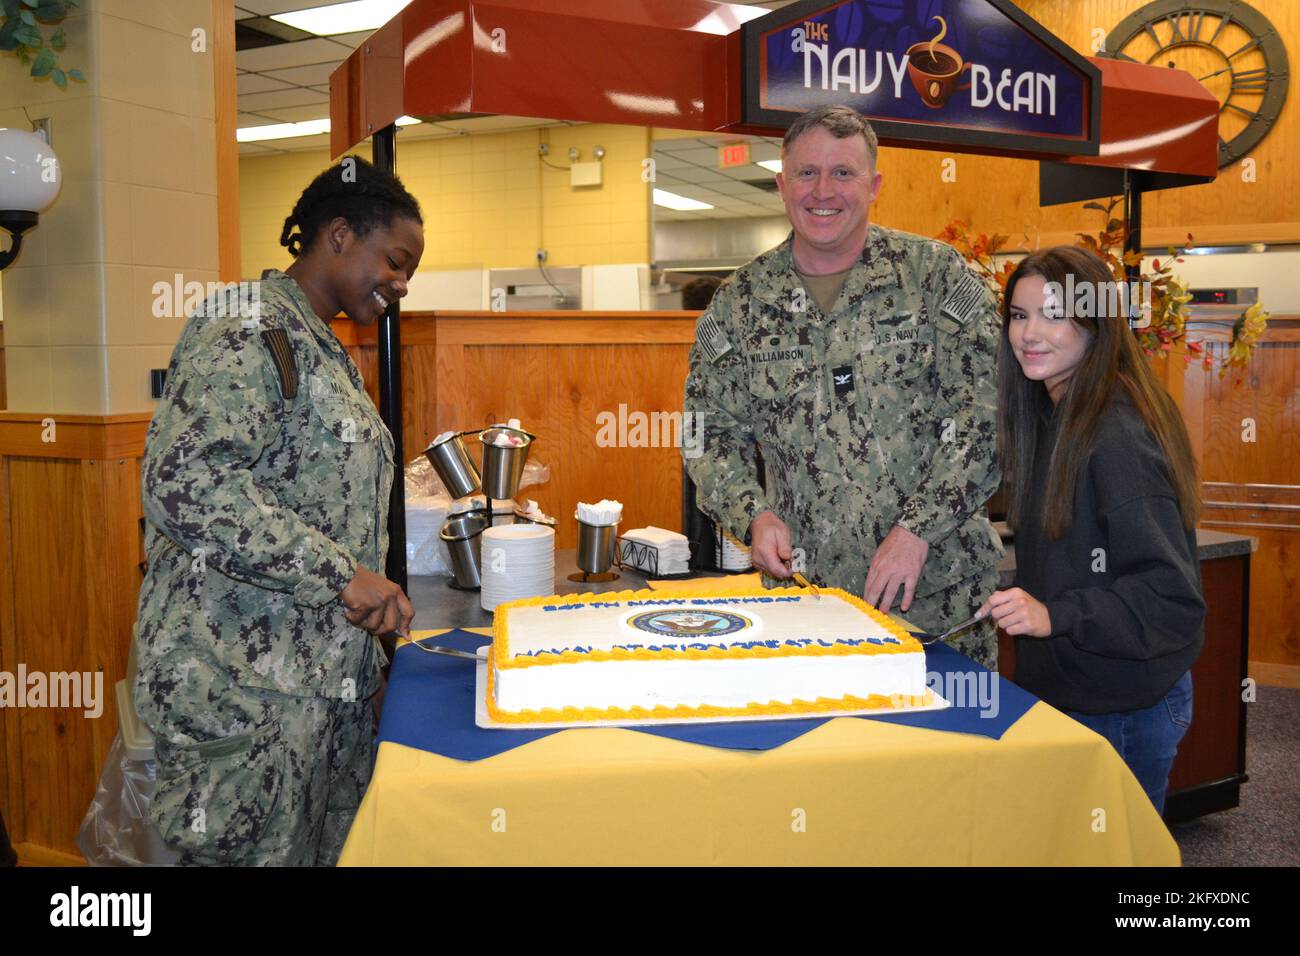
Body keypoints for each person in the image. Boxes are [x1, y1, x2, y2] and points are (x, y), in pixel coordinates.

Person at [133, 157, 424, 865]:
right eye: (395, 260)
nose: (402, 283)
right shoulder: (249, 327)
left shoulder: (316, 343)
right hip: (241, 686)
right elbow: (186, 483)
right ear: (340, 235)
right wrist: (339, 574)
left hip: (313, 682)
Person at [683, 105, 1003, 667]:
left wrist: (916, 531)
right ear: (782, 185)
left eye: (843, 172)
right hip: (808, 608)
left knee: (950, 755)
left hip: (937, 605)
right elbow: (706, 436)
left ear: (874, 184)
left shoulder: (937, 278)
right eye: (806, 173)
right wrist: (753, 516)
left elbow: (991, 418)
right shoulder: (739, 304)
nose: (822, 190)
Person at [978, 246, 1204, 813]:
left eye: (1054, 314)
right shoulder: (1054, 413)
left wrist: (1056, 614)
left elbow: (1172, 600)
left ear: (1095, 323)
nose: (1030, 333)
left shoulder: (1115, 433)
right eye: (1020, 315)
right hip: (1075, 694)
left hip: (1124, 710)